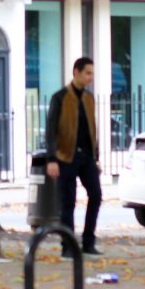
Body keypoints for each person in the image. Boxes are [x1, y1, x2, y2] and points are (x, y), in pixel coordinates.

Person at [44, 57, 103, 256]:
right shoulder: (60, 97)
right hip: (65, 156)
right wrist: (52, 159)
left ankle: (88, 241)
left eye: (92, 73)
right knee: (68, 202)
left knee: (96, 195)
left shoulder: (89, 98)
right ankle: (67, 245)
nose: (91, 77)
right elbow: (51, 130)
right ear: (76, 72)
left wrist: (96, 157)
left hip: (86, 157)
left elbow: (92, 128)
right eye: (87, 73)